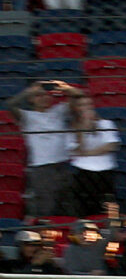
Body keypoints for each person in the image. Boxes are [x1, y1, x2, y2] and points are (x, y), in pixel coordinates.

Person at [11, 79, 77, 218]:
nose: (44, 98)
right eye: (38, 95)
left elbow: (78, 97)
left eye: (46, 94)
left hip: (63, 165)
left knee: (68, 206)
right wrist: (28, 92)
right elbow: (10, 105)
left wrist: (66, 88)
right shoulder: (27, 116)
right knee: (46, 208)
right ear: (31, 99)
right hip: (41, 168)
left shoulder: (59, 110)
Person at [63, 93, 121, 217]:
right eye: (82, 105)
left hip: (105, 172)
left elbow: (111, 146)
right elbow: (78, 150)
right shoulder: (71, 129)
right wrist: (83, 128)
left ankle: (112, 227)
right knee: (84, 210)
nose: (87, 108)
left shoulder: (106, 124)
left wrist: (88, 153)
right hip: (83, 173)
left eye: (89, 104)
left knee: (110, 210)